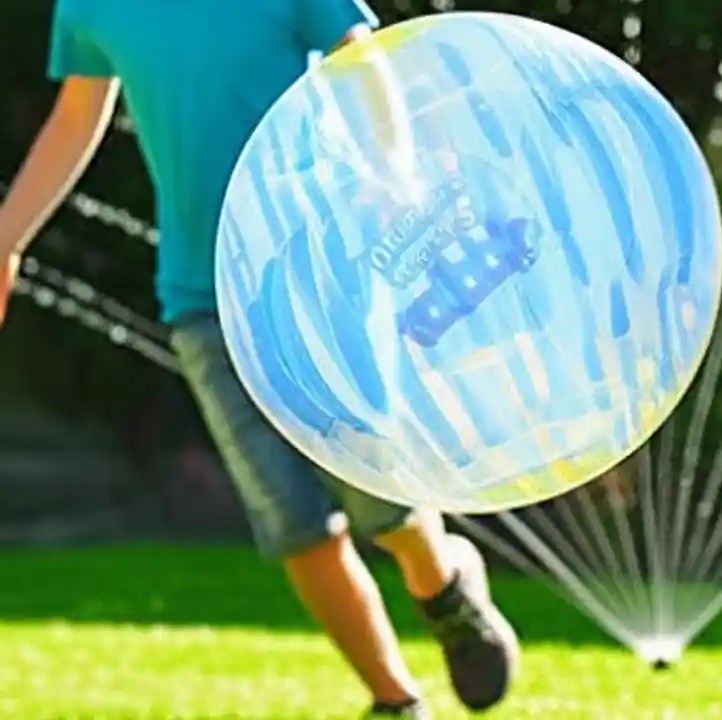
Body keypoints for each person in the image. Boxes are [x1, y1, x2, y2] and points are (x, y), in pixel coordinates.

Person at [0, 2, 520, 718]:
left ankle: (447, 589)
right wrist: (7, 237)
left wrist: (390, 170)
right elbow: (76, 115)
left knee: (382, 504)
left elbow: (361, 56)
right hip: (200, 297)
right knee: (291, 522)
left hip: (322, 273)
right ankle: (395, 700)